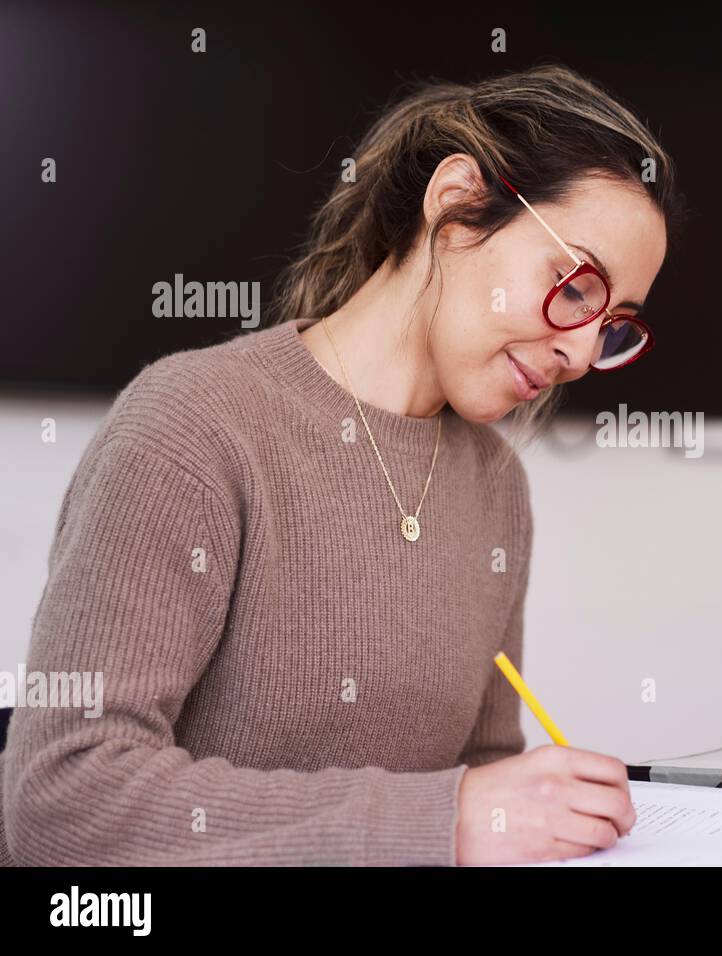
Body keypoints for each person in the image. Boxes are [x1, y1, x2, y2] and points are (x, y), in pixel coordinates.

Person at [1, 64, 686, 866]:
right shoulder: (194, 425)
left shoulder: (497, 489)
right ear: (459, 202)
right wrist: (445, 819)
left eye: (613, 327)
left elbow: (480, 777)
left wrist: (541, 812)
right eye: (576, 286)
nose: (577, 350)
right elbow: (62, 801)